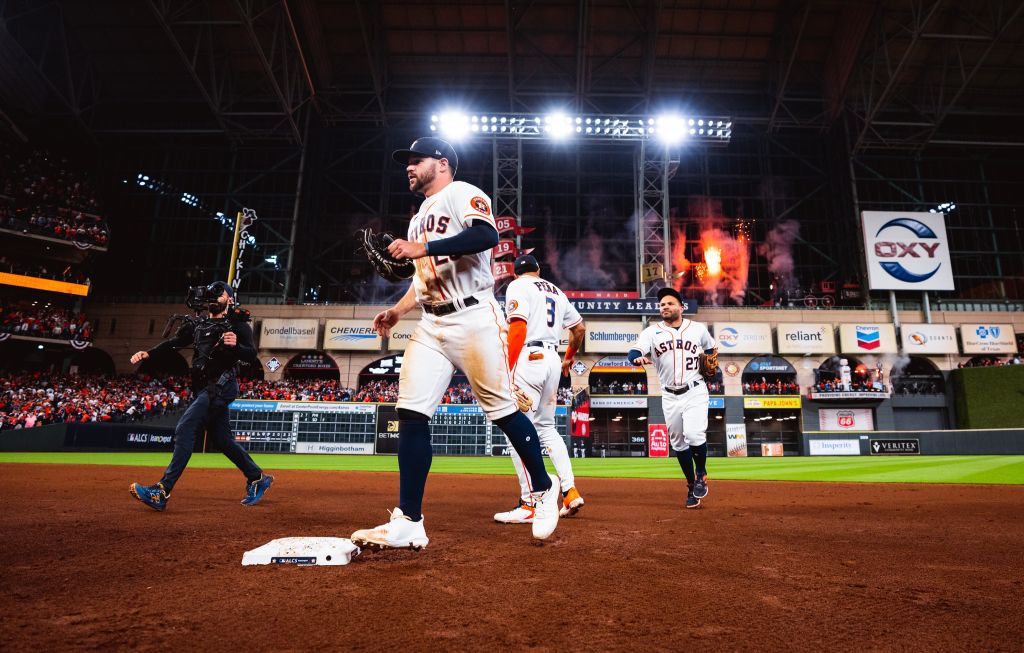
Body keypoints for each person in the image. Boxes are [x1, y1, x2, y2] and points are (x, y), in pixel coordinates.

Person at [351, 137, 561, 551]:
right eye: (406, 162)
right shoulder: (416, 221)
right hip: (430, 323)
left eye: (416, 160)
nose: (409, 167)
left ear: (442, 163)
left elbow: (484, 235)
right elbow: (422, 278)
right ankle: (410, 519)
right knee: (411, 413)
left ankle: (543, 487)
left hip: (474, 316)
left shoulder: (462, 192)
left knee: (502, 410)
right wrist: (398, 311)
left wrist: (423, 247)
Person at [127, 281, 273, 511]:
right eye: (212, 293)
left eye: (220, 293)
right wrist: (149, 353)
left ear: (230, 299)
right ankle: (257, 477)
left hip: (220, 386)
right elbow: (175, 343)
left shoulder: (237, 324)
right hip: (204, 388)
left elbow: (251, 353)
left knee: (185, 428)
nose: (214, 296)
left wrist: (235, 346)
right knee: (223, 440)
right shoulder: (200, 324)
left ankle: (162, 490)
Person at [493, 254, 587, 525]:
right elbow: (579, 329)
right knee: (546, 428)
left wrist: (507, 372)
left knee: (516, 429)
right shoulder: (556, 290)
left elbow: (518, 328)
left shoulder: (517, 286)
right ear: (538, 270)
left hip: (528, 357)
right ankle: (569, 491)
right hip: (553, 361)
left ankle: (530, 502)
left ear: (515, 274)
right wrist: (569, 356)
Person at [627, 287, 717, 509]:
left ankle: (701, 472)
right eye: (662, 305)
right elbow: (634, 351)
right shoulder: (651, 332)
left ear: (681, 307)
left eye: (669, 303)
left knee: (693, 433)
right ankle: (690, 485)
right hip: (669, 394)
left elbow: (712, 348)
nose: (664, 307)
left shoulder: (697, 329)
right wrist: (636, 359)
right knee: (678, 442)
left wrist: (711, 360)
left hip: (695, 389)